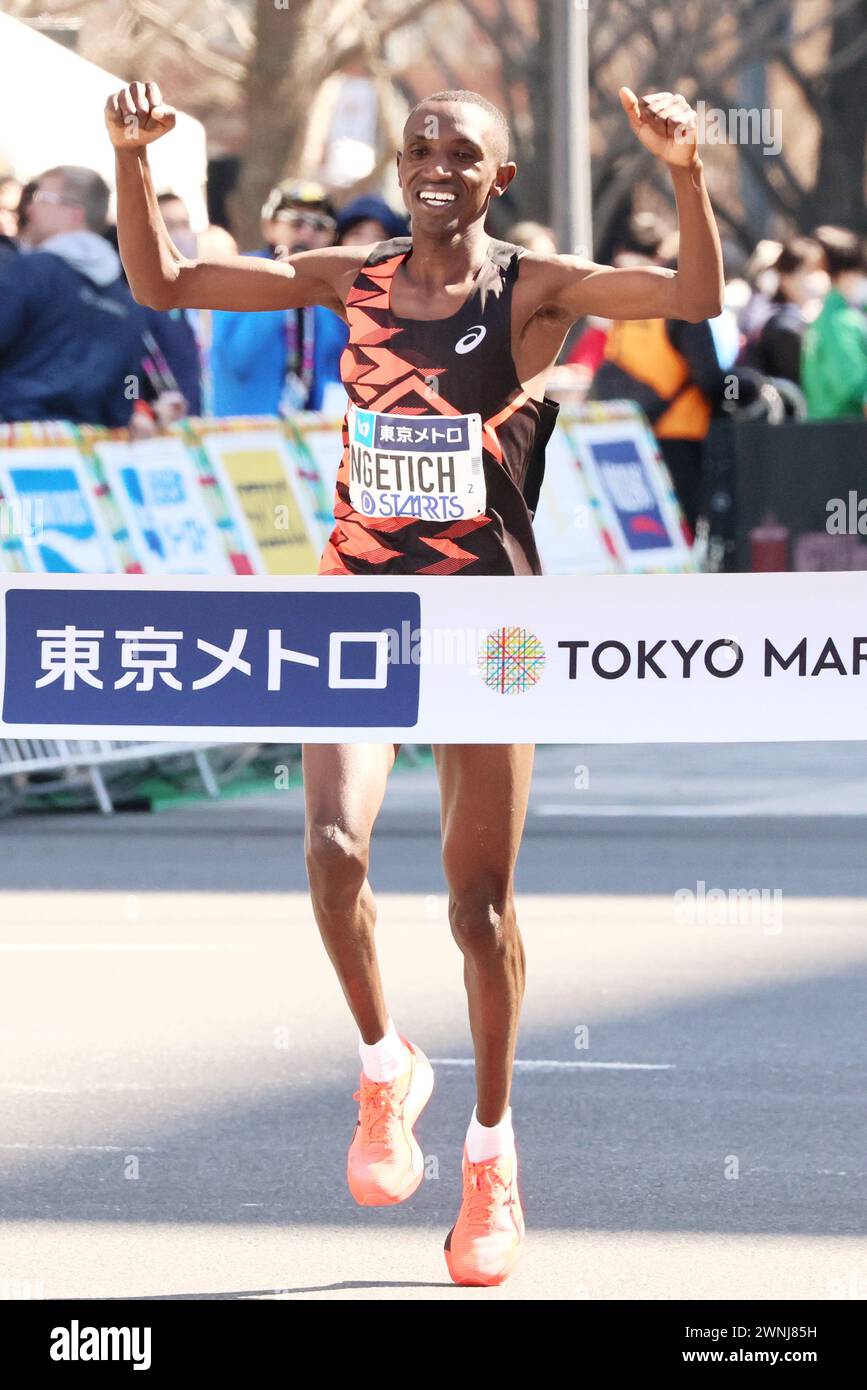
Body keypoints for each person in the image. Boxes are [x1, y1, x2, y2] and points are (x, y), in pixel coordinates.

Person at [106, 78, 723, 1286]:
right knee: (333, 847)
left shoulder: (532, 289)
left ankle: (491, 1150)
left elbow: (696, 298)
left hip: (490, 626)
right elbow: (166, 285)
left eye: (462, 151)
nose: (434, 163)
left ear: (500, 179)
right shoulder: (354, 276)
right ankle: (386, 1067)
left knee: (479, 906)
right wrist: (130, 158)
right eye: (419, 145)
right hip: (363, 608)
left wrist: (686, 171)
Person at [588, 213, 726, 535]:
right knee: (687, 533)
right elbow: (709, 378)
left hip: (629, 439)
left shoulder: (622, 307)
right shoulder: (683, 308)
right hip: (680, 437)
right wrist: (740, 390)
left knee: (643, 535)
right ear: (662, 255)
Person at [0, 165, 152, 426]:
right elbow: (130, 384)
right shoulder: (126, 302)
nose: (29, 209)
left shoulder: (30, 273)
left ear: (75, 213)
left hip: (16, 438)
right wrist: (137, 410)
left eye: (42, 199)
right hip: (82, 451)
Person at [209, 179, 344, 416]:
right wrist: (282, 282)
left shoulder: (330, 287)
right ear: (269, 227)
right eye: (297, 222)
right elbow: (237, 358)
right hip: (247, 436)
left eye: (320, 226)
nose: (307, 233)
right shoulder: (239, 273)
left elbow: (337, 366)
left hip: (312, 434)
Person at [802, 226, 867, 419]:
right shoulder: (841, 321)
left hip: (827, 433)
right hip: (847, 431)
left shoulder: (826, 317)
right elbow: (853, 386)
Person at [743, 237, 824, 386]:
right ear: (786, 278)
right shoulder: (784, 327)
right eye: (810, 271)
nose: (818, 278)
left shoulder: (800, 318)